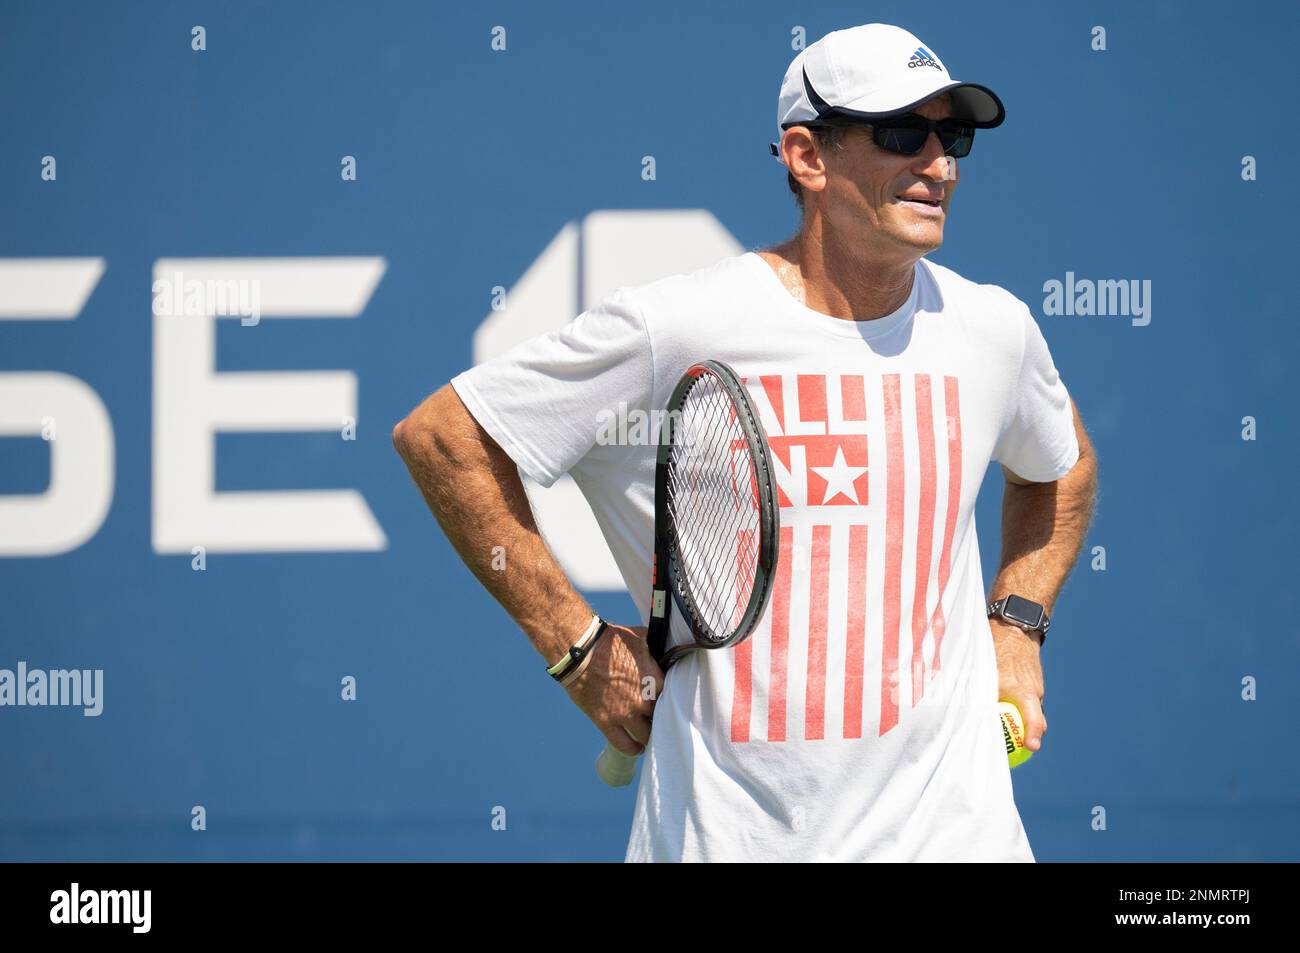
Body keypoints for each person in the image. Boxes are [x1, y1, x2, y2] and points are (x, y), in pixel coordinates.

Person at [393, 23, 1098, 861]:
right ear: (806, 157)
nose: (940, 164)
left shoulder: (993, 330)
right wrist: (579, 653)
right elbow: (442, 437)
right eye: (904, 134)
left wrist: (1016, 623)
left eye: (955, 137)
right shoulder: (680, 324)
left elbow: (1062, 467)